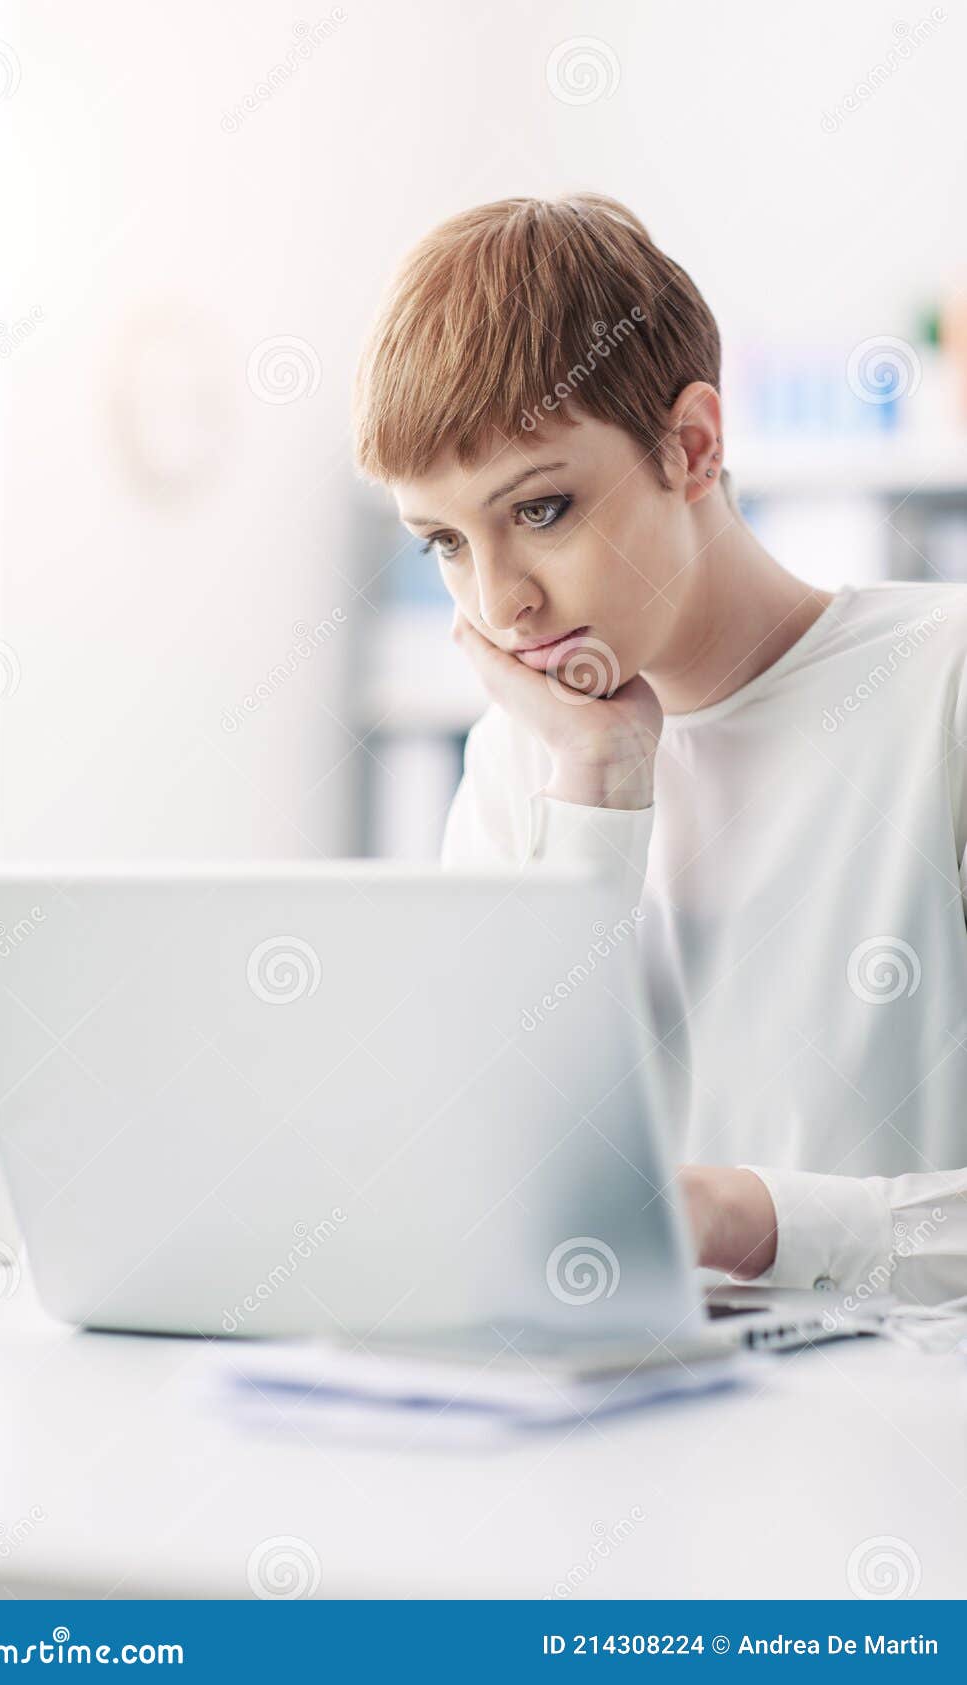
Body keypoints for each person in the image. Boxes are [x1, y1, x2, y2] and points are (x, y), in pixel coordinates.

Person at [352, 192, 967, 1309]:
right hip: (618, 1441)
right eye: (444, 541)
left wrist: (753, 1219)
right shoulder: (519, 759)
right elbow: (504, 1198)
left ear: (690, 445)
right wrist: (596, 788)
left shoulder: (941, 691)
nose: (499, 603)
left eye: (538, 510)